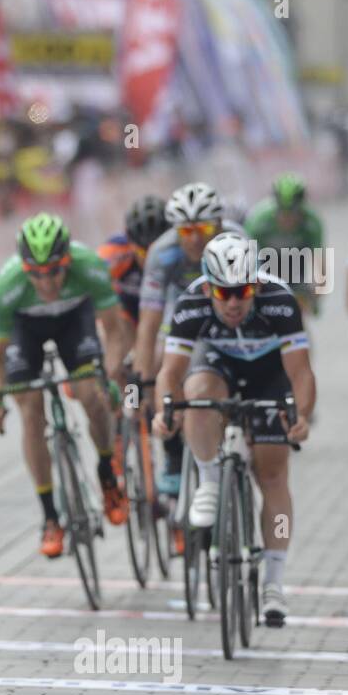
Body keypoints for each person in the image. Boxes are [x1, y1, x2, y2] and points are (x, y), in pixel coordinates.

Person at [152, 232, 314, 626]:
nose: (234, 302)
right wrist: (165, 412)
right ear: (207, 286)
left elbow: (301, 372)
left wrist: (301, 415)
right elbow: (170, 372)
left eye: (242, 290)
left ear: (256, 283)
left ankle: (274, 581)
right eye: (223, 293)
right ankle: (209, 480)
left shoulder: (279, 302)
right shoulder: (191, 304)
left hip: (268, 373)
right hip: (218, 366)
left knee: (273, 475)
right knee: (197, 392)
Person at [0, 213, 131, 557]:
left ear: (68, 260)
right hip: (26, 328)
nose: (47, 283)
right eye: (37, 274)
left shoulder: (90, 267)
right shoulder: (8, 287)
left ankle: (107, 471)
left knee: (91, 396)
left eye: (54, 271)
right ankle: (50, 517)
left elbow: (116, 333)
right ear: (24, 268)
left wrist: (107, 378)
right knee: (31, 411)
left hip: (73, 322)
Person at [136, 182, 242, 497]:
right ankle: (171, 449)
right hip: (181, 317)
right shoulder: (162, 252)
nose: (196, 239)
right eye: (187, 231)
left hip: (226, 313)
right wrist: (143, 380)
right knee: (157, 360)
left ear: (220, 224)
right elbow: (149, 322)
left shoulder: (238, 242)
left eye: (205, 228)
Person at [243, 173, 326, 316]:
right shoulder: (258, 220)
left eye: (293, 213)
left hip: (294, 263)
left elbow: (320, 264)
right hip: (264, 261)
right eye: (282, 213)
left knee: (297, 312)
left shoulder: (313, 222)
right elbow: (246, 259)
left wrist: (316, 293)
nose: (287, 219)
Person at [97, 193, 170, 327]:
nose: (150, 258)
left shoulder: (179, 250)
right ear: (131, 242)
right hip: (128, 311)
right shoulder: (115, 251)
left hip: (166, 311)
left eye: (156, 251)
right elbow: (92, 284)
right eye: (144, 252)